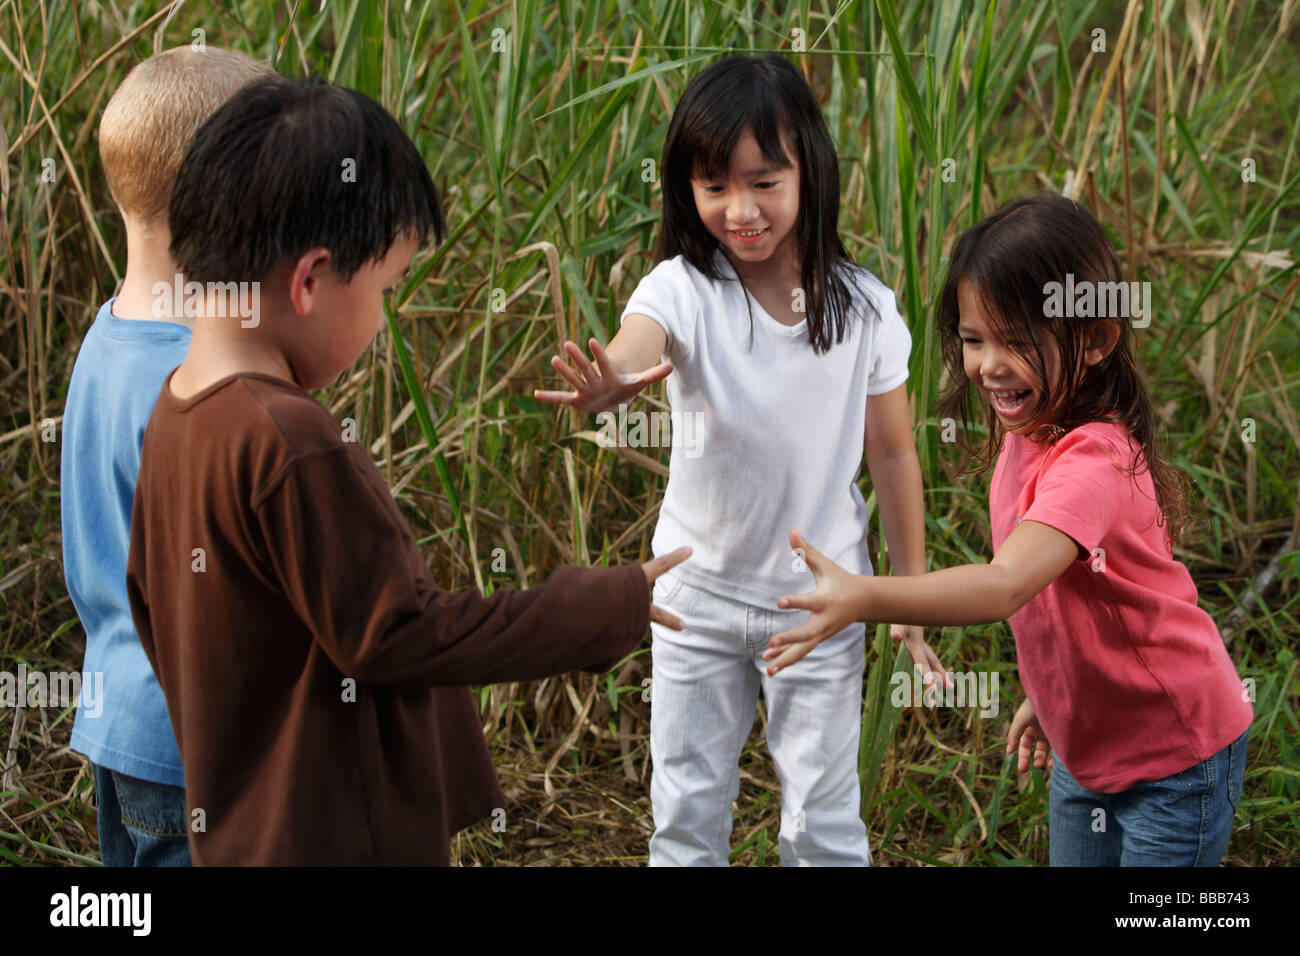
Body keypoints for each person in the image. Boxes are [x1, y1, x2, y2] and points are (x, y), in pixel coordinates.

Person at [125, 75, 689, 865]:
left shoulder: (175, 411)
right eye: (386, 289)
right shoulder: (291, 441)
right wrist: (605, 603)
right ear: (312, 278)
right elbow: (400, 632)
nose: (383, 319)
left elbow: (149, 605)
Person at [535, 55, 942, 866]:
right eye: (714, 185)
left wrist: (908, 594)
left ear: (811, 173)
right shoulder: (681, 288)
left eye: (765, 181)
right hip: (694, 598)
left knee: (822, 825)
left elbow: (894, 453)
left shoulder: (865, 307)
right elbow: (631, 353)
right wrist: (608, 384)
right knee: (685, 815)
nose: (740, 208)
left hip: (821, 604)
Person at [767, 195, 1252, 866]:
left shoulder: (1093, 461)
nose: (989, 364)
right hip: (1088, 752)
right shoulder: (1026, 438)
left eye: (1017, 341)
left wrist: (863, 596)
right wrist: (1054, 696)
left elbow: (1003, 586)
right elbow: (1068, 603)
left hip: (1177, 762)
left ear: (1096, 340)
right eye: (973, 339)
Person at [61, 45, 277, 867]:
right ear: (236, 200)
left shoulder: (105, 338)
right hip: (199, 747)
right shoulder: (197, 385)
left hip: (121, 725)